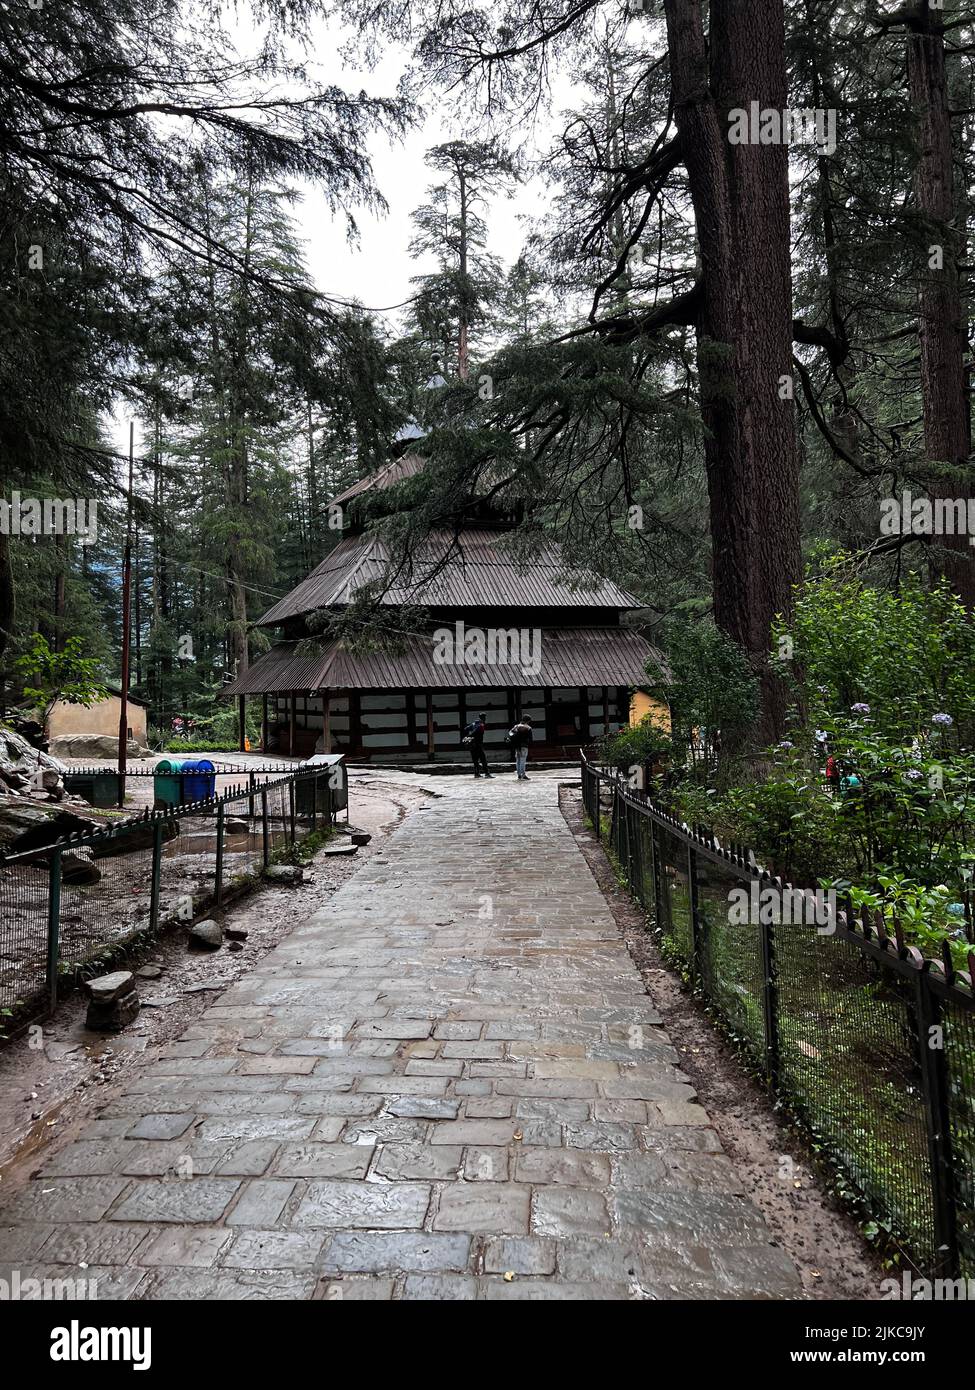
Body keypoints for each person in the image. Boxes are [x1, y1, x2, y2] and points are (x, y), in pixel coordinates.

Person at [463, 712, 493, 779]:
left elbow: (466, 729)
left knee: (475, 760)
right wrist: (470, 735)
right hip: (478, 744)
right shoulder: (481, 725)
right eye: (484, 717)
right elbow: (476, 731)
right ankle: (487, 773)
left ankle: (477, 774)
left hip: (472, 744)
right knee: (483, 759)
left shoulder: (474, 723)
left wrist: (469, 736)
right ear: (484, 718)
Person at [508, 715, 534, 780]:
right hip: (524, 746)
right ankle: (523, 774)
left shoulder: (516, 726)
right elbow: (530, 739)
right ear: (528, 721)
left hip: (517, 746)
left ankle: (519, 775)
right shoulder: (528, 728)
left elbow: (510, 733)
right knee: (523, 760)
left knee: (518, 760)